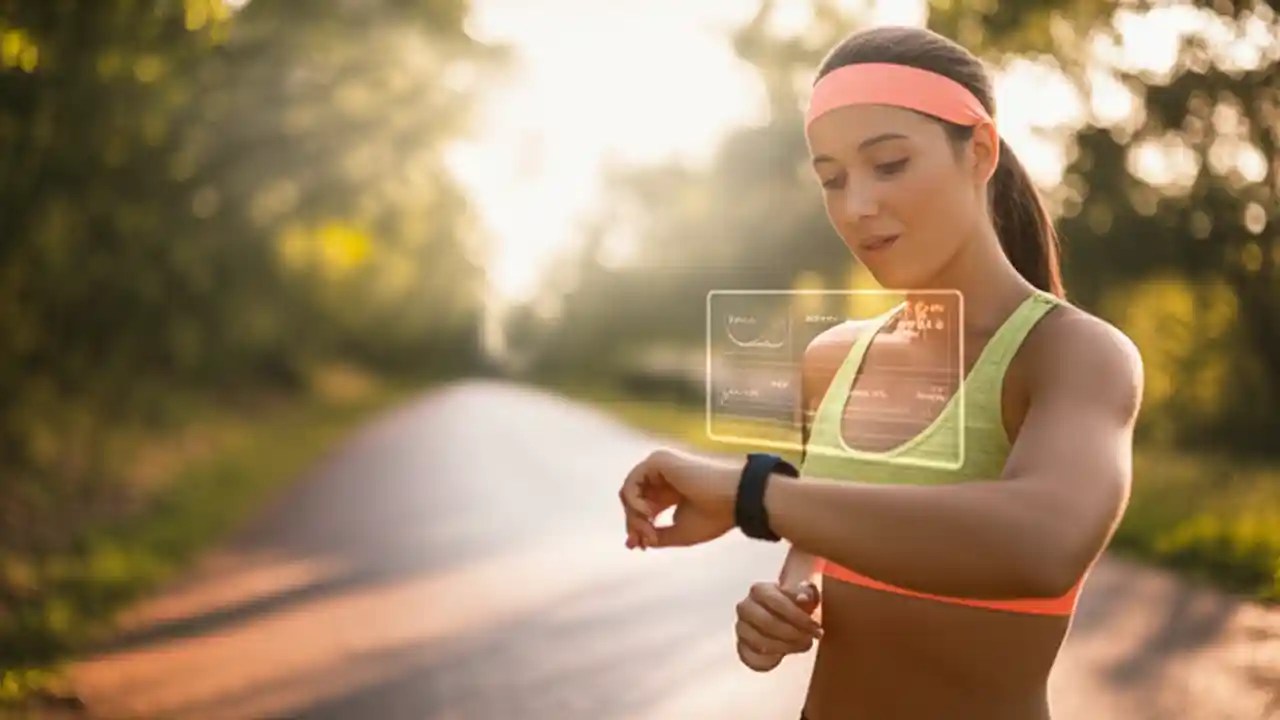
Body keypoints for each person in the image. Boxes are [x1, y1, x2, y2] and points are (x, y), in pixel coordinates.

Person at [618, 25, 1144, 720]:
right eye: (832, 179)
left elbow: (1041, 542)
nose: (856, 206)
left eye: (889, 164)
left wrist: (750, 493)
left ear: (979, 151)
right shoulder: (830, 358)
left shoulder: (1071, 355)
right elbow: (820, 543)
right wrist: (790, 600)